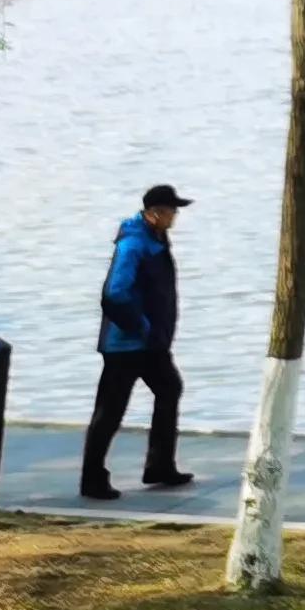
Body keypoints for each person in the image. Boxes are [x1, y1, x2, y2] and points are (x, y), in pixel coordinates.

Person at [82, 182, 192, 500]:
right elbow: (115, 294)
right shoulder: (133, 243)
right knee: (111, 409)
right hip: (127, 345)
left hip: (150, 343)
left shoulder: (155, 237)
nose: (175, 217)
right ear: (155, 213)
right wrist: (142, 329)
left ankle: (159, 466)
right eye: (172, 211)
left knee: (169, 388)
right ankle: (92, 479)